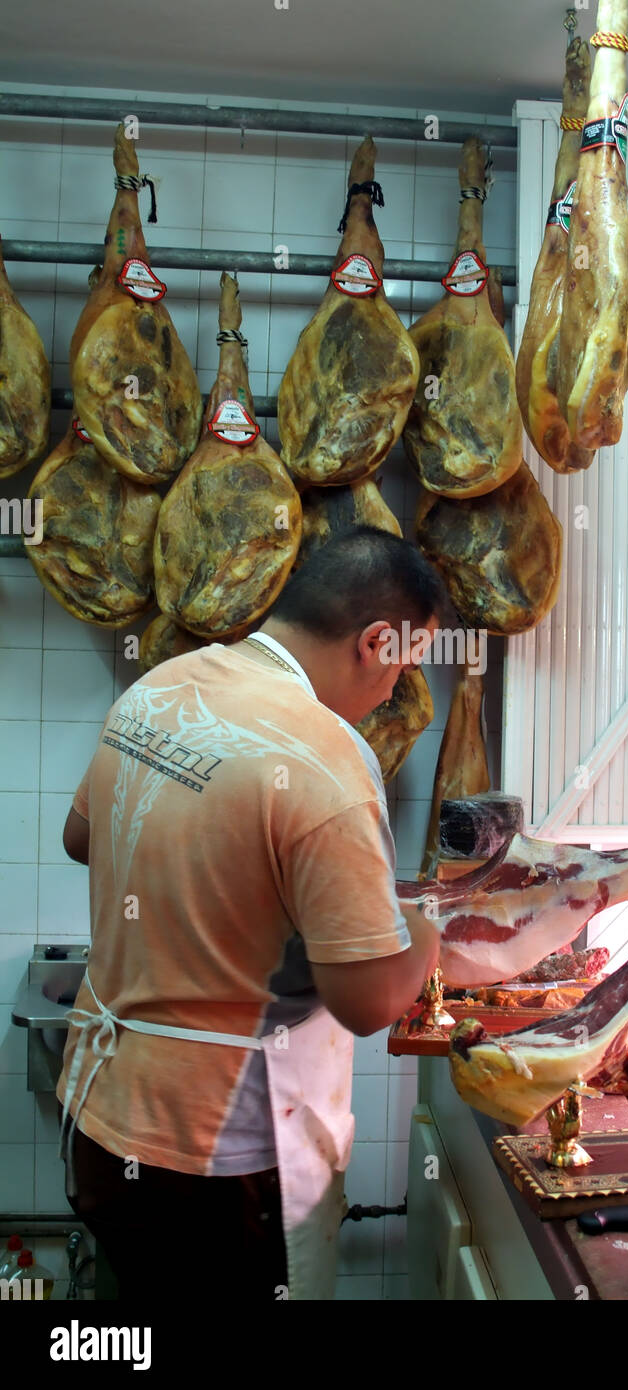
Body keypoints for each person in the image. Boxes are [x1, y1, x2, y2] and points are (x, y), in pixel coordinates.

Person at [58, 526, 448, 1300]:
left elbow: (81, 838)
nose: (397, 687)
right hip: (218, 1163)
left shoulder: (166, 682)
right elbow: (367, 1002)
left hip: (101, 1124)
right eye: (403, 664)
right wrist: (430, 937)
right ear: (375, 642)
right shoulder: (327, 755)